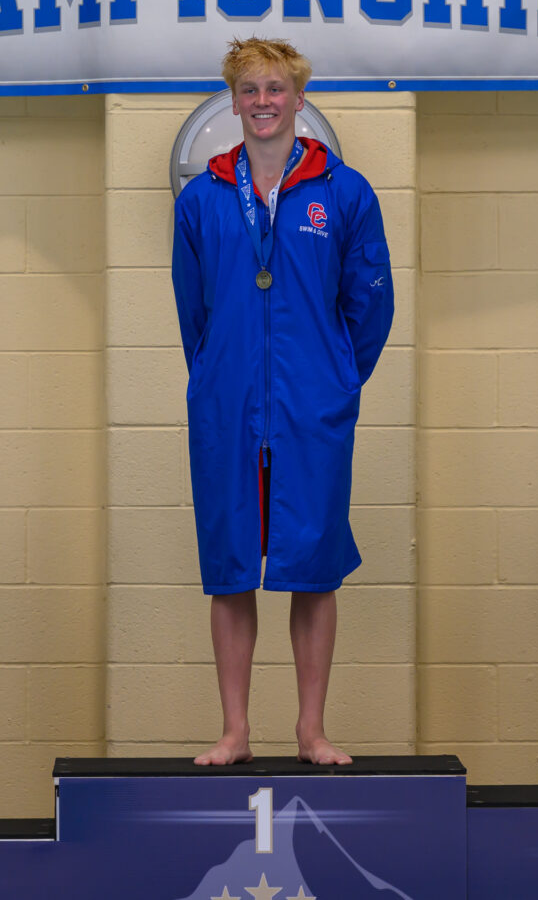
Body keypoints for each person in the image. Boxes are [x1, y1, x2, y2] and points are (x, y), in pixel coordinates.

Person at [171, 38, 394, 767]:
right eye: (249, 90)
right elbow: (193, 312)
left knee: (313, 567)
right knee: (231, 568)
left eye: (275, 89)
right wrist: (218, 378)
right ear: (233, 101)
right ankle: (234, 731)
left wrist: (335, 379)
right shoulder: (203, 199)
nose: (263, 102)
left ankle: (311, 730)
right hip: (228, 405)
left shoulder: (345, 193)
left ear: (299, 99)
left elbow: (370, 303)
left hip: (311, 406)